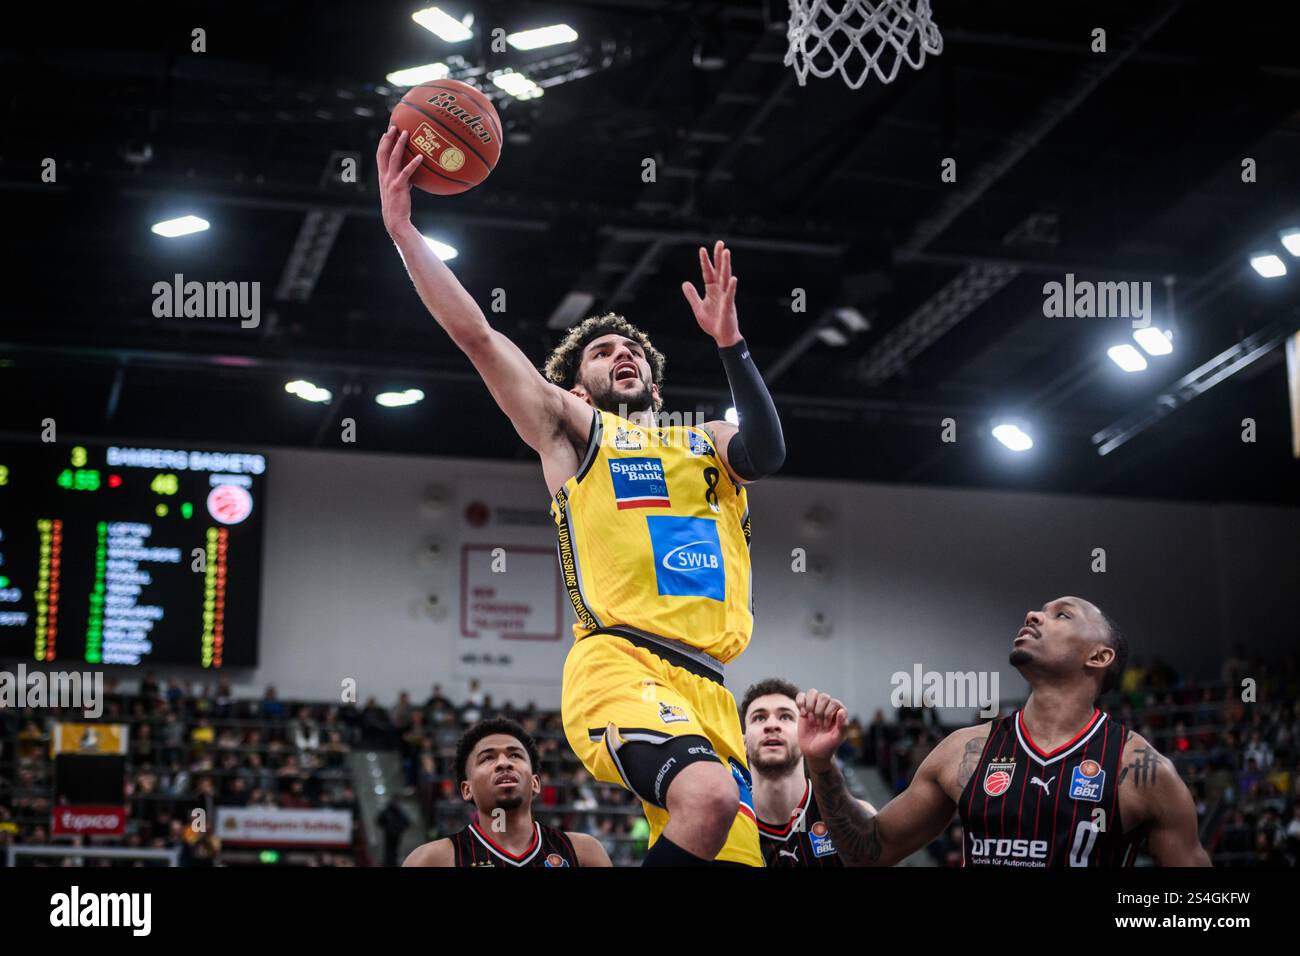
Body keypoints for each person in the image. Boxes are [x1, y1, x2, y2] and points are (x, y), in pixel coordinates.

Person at [378, 126, 785, 867]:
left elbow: (769, 451)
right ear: (574, 388)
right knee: (709, 797)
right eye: (602, 351)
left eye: (633, 350)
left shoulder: (708, 440)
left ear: (657, 385)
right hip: (619, 662)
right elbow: (476, 335)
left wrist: (733, 347)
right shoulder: (575, 434)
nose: (621, 352)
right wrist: (405, 233)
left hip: (711, 688)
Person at [800, 597, 1212, 867]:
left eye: (1061, 614)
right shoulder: (963, 751)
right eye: (1040, 610)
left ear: (1099, 656)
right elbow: (870, 850)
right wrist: (821, 764)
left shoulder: (1140, 769)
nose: (1034, 614)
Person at [403, 718, 610, 867]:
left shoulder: (583, 852)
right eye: (487, 758)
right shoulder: (432, 860)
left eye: (515, 755)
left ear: (535, 783)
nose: (504, 763)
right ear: (467, 790)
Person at [742, 678, 875, 867]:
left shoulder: (853, 819)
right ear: (743, 740)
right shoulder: (726, 824)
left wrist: (824, 758)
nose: (771, 725)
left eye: (786, 716)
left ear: (805, 731)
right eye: (759, 718)